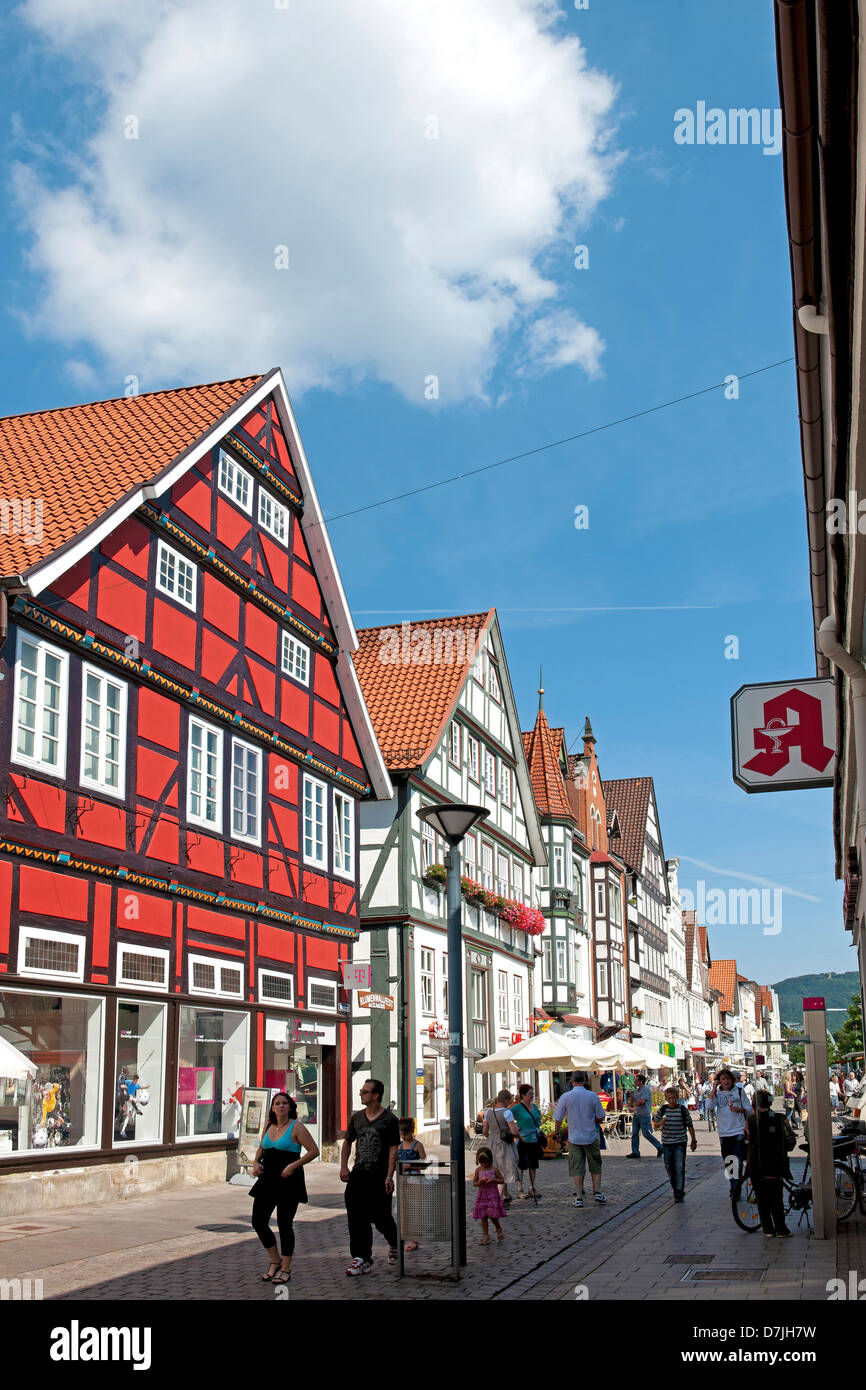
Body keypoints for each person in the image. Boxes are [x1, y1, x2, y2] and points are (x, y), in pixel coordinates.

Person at [250, 1091, 319, 1283]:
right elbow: (261, 1149)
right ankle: (275, 1260)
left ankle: (286, 1268)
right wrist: (256, 1163)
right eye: (277, 1103)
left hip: (289, 1179)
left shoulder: (296, 1127)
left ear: (290, 1107)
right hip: (267, 1179)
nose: (281, 1106)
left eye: (285, 1103)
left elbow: (314, 1151)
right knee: (258, 1221)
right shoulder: (268, 1125)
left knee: (284, 1224)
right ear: (272, 1107)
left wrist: (293, 1166)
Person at [340, 1078, 400, 1276]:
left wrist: (389, 1176)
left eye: (365, 1092)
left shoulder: (390, 1120)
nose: (361, 1094)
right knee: (356, 1215)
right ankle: (361, 1257)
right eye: (361, 1091)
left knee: (381, 1217)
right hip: (358, 1174)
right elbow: (348, 1142)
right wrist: (343, 1167)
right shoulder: (357, 1118)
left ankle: (394, 1241)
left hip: (379, 1175)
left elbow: (393, 1149)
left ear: (376, 1095)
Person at [553, 1071, 606, 1208]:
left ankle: (579, 1197)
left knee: (577, 1167)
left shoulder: (566, 1097)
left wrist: (557, 1132)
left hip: (574, 1137)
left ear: (572, 1081)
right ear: (585, 1080)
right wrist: (591, 1120)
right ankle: (597, 1192)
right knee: (595, 1164)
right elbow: (601, 1117)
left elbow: (558, 1118)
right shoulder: (592, 1096)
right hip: (591, 1135)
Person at [745, 1091, 792, 1237]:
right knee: (776, 1196)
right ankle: (781, 1228)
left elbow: (746, 1141)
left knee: (761, 1197)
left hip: (756, 1163)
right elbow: (790, 1141)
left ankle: (767, 1229)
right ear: (770, 1102)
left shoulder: (750, 1120)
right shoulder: (780, 1118)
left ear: (755, 1103)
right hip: (774, 1162)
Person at [707, 1068, 752, 1194]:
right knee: (728, 1161)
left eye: (728, 1078)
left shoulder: (739, 1090)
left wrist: (739, 1110)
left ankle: (736, 1187)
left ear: (732, 1080)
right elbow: (709, 1106)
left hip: (738, 1130)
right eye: (723, 1079)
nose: (726, 1081)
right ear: (719, 1081)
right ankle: (734, 1185)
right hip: (723, 1132)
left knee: (736, 1159)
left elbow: (748, 1108)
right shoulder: (717, 1092)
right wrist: (714, 1089)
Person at [652, 1085, 697, 1202]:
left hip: (680, 1143)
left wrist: (693, 1140)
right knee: (669, 1166)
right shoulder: (662, 1110)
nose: (672, 1100)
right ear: (666, 1099)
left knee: (679, 1166)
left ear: (677, 1097)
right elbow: (655, 1124)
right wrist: (660, 1123)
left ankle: (679, 1192)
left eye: (674, 1098)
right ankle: (675, 1186)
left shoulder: (683, 1110)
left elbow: (690, 1125)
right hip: (666, 1143)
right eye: (669, 1098)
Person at [482, 1089, 520, 1203]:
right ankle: (498, 1198)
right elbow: (513, 1131)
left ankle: (505, 1194)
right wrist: (518, 1133)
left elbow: (484, 1131)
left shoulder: (488, 1112)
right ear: (507, 1100)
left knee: (496, 1168)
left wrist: (492, 1135)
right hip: (504, 1144)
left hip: (491, 1144)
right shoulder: (507, 1112)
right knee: (504, 1170)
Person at [396, 1118, 426, 1251]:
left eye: (406, 1134)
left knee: (414, 1209)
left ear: (412, 1131)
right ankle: (405, 1235)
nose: (404, 1137)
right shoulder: (399, 1146)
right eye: (402, 1134)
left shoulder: (417, 1145)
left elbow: (425, 1163)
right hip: (402, 1180)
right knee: (403, 1209)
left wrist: (410, 1166)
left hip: (414, 1179)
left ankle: (414, 1238)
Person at [511, 1083, 544, 1199]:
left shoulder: (534, 1107)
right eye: (530, 1094)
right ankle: (520, 1189)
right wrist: (515, 1128)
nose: (532, 1096)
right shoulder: (517, 1108)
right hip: (523, 1139)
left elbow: (538, 1120)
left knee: (533, 1165)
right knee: (521, 1165)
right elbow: (507, 1118)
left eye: (533, 1094)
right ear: (522, 1095)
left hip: (534, 1139)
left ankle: (532, 1188)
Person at [472, 1147, 506, 1244]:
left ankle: (498, 1227)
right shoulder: (478, 1170)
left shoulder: (494, 1169)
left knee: (491, 1214)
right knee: (483, 1216)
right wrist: (480, 1182)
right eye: (481, 1163)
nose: (484, 1165)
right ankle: (485, 1235)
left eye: (486, 1162)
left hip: (492, 1194)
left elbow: (502, 1180)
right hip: (482, 1195)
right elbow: (474, 1183)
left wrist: (493, 1180)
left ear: (490, 1160)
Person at [626, 1073, 663, 1159]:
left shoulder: (645, 1089)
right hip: (637, 1115)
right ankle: (635, 1152)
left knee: (646, 1133)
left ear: (641, 1081)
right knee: (634, 1133)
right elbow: (631, 1102)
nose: (634, 1081)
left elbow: (642, 1101)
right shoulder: (637, 1090)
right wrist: (631, 1094)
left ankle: (660, 1147)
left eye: (636, 1080)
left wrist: (634, 1106)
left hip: (644, 1115)